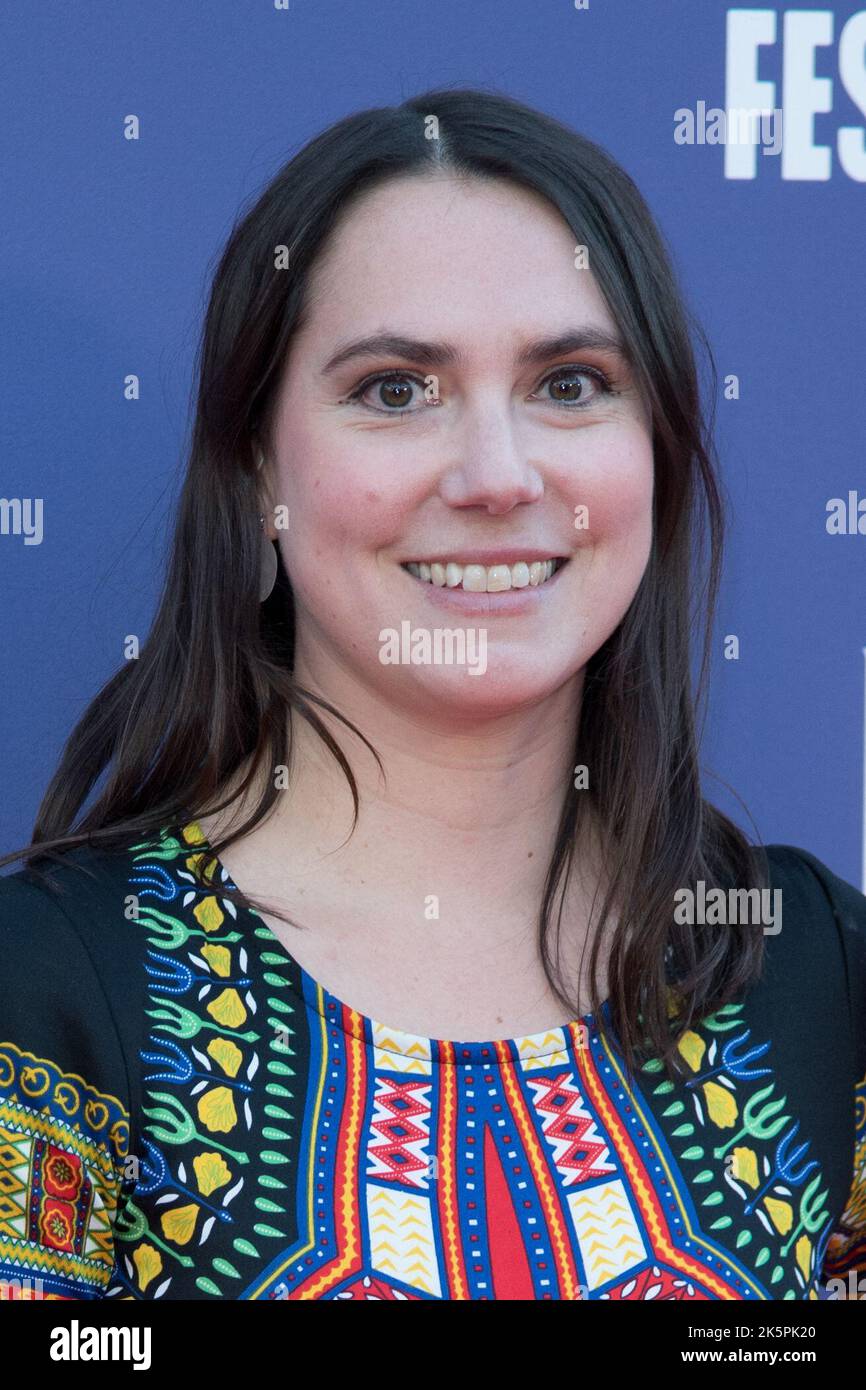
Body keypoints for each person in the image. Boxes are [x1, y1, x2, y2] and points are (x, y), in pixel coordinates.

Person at [1, 87, 864, 1303]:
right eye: (396, 389)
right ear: (257, 471)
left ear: (654, 453)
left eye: (569, 382)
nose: (498, 475)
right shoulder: (47, 991)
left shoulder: (814, 970)